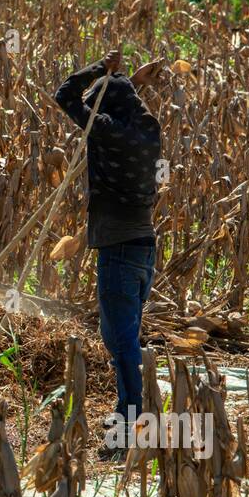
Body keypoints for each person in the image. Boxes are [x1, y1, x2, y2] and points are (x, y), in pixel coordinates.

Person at [54, 50, 164, 460]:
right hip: (143, 249)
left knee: (121, 346)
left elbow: (65, 96)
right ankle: (131, 419)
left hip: (117, 251)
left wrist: (100, 67)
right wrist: (126, 80)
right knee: (123, 340)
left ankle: (127, 431)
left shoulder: (107, 131)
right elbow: (125, 102)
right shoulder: (149, 128)